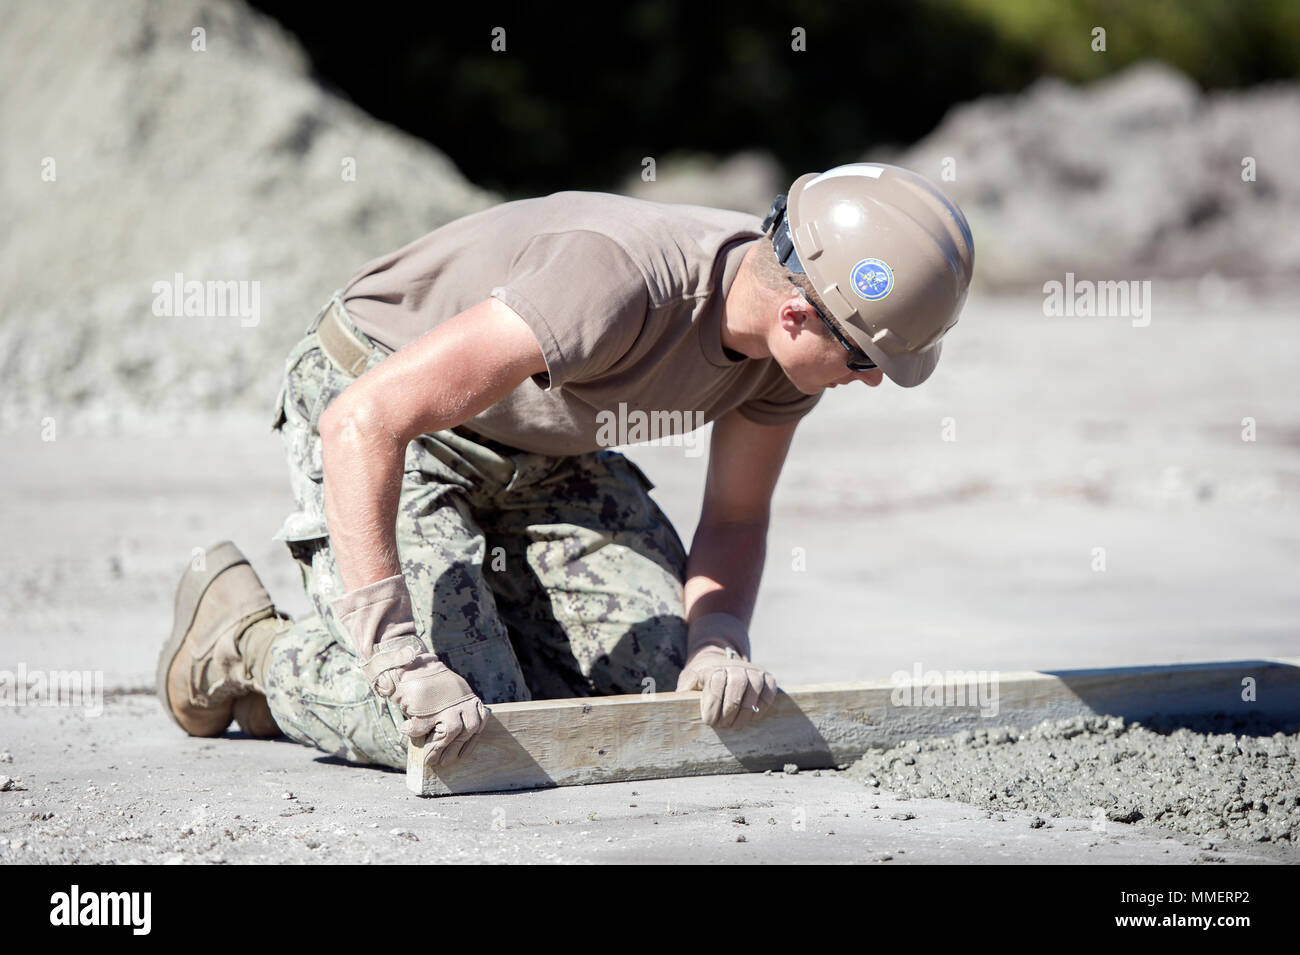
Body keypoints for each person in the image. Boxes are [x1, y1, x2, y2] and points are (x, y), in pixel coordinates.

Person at [155, 162, 974, 774]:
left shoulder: (787, 362)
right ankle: (244, 644)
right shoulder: (616, 282)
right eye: (865, 359)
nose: (869, 380)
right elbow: (364, 419)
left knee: (668, 702)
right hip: (387, 406)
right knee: (472, 729)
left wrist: (718, 641)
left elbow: (735, 517)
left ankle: (483, 630)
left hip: (539, 450)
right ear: (797, 313)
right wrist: (399, 655)